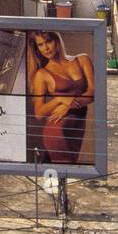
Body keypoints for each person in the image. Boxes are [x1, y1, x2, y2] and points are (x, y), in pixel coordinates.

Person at [27, 29, 94, 166]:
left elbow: (93, 92)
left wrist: (68, 104)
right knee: (62, 169)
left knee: (67, 169)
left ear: (57, 40)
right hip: (56, 129)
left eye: (48, 41)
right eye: (40, 45)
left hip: (75, 125)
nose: (46, 48)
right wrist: (59, 100)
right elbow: (39, 113)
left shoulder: (82, 60)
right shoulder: (42, 74)